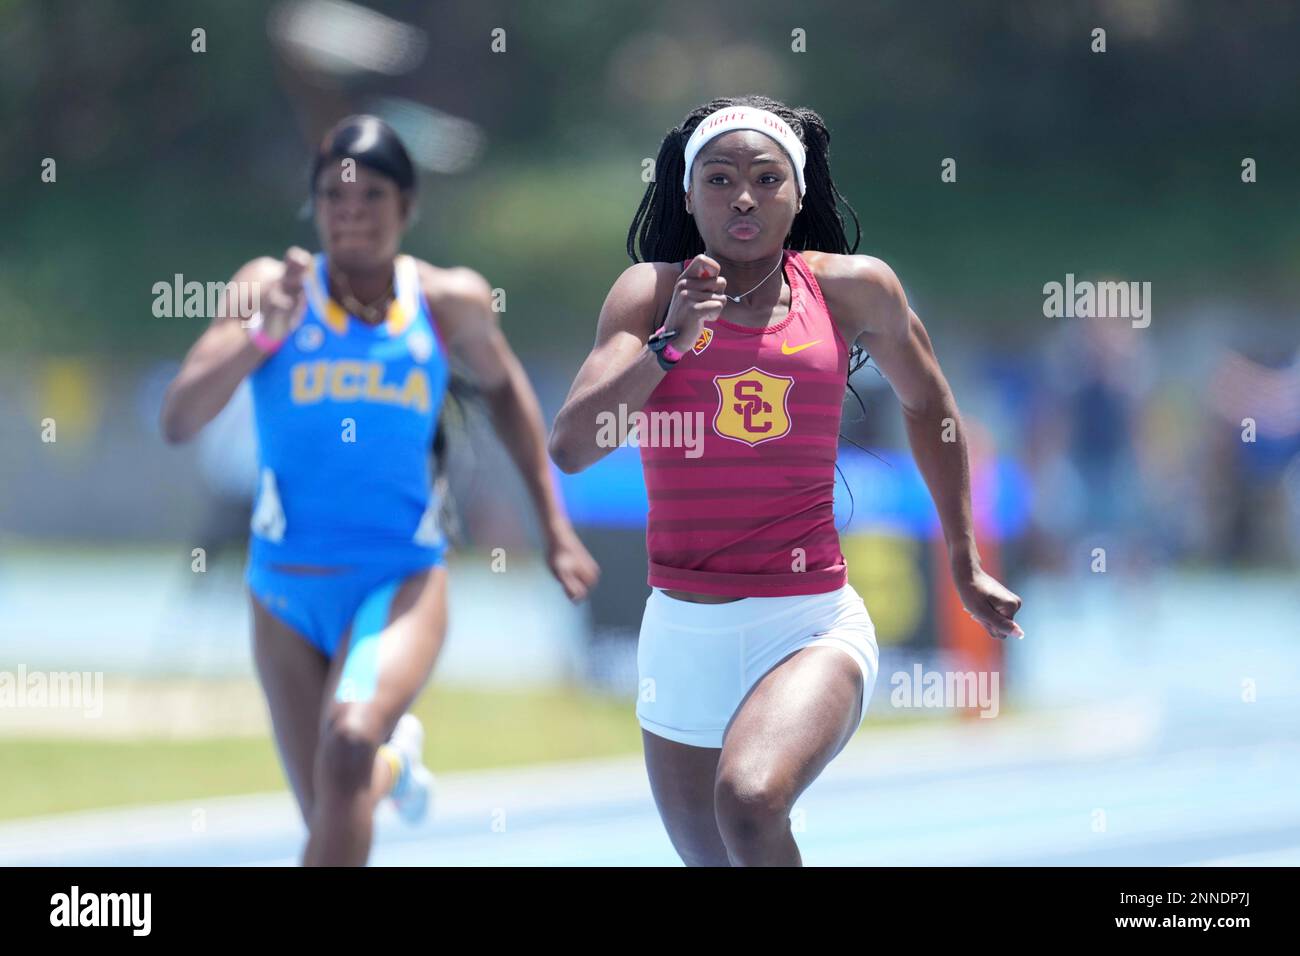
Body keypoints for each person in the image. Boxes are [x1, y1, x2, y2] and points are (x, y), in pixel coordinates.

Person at [549, 95, 1023, 866]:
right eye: (721, 177)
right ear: (687, 192)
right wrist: (671, 346)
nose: (744, 196)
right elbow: (573, 445)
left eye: (768, 178)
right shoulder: (647, 296)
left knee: (751, 800)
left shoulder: (852, 290)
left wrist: (963, 560)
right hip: (682, 636)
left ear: (800, 195)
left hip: (809, 624)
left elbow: (931, 405)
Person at [161, 115, 599, 865]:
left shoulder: (446, 298)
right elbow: (180, 418)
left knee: (350, 740)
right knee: (333, 813)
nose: (351, 211)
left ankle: (380, 755)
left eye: (371, 197)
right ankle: (396, 768)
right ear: (314, 205)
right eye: (333, 195)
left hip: (398, 579)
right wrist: (260, 336)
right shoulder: (268, 288)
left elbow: (508, 394)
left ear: (408, 206)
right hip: (283, 591)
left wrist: (553, 525)